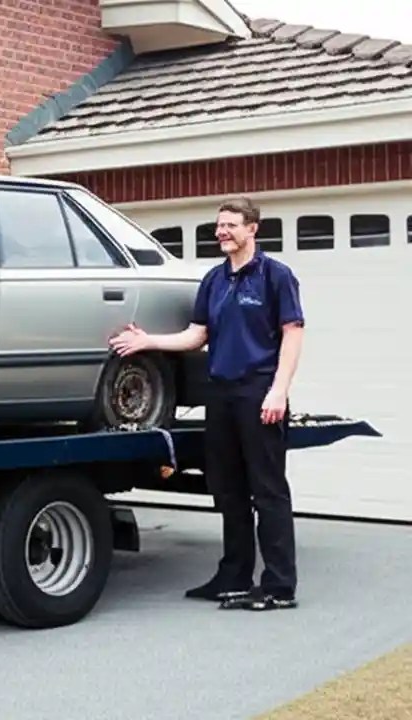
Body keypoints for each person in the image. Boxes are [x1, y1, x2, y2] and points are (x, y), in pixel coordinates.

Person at [109, 196, 305, 612]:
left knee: (268, 491)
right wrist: (148, 341)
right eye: (219, 225)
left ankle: (279, 586)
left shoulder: (276, 276)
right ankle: (233, 577)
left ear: (253, 229)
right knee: (228, 490)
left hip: (259, 392)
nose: (222, 232)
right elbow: (196, 336)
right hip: (221, 393)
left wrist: (279, 390)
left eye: (231, 225)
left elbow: (292, 333)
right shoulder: (214, 280)